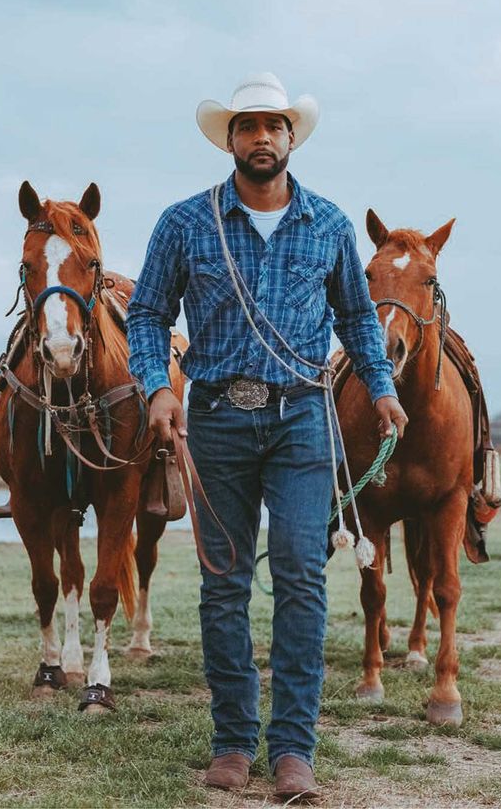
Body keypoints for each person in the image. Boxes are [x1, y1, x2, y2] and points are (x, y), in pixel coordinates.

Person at [126, 72, 407, 802]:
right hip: (216, 417)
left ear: (291, 137)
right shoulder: (186, 223)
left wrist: (381, 388)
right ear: (230, 138)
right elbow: (148, 314)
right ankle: (230, 742)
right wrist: (159, 385)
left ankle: (293, 750)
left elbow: (358, 320)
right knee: (223, 584)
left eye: (273, 125)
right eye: (246, 125)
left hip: (302, 419)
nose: (260, 137)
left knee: (302, 579)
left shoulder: (331, 225)